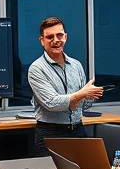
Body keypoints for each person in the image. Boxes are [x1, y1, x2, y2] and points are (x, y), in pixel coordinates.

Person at [28, 16, 104, 156]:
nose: (56, 40)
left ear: (66, 37)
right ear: (42, 40)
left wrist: (92, 94)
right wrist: (80, 95)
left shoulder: (76, 65)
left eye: (59, 35)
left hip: (78, 129)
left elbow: (85, 105)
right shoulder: (37, 69)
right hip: (51, 133)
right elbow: (52, 103)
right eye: (50, 37)